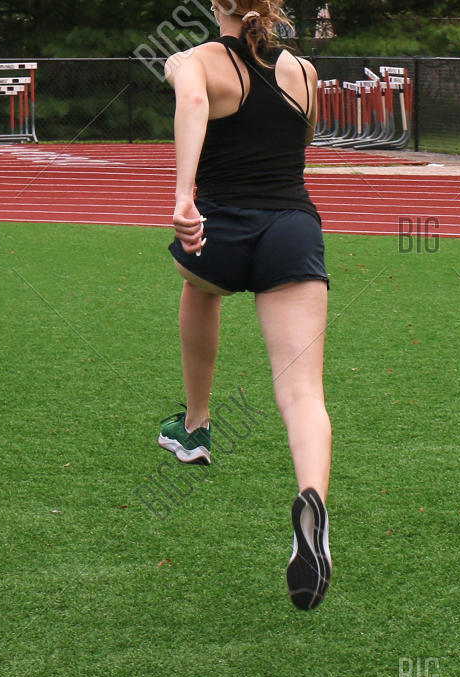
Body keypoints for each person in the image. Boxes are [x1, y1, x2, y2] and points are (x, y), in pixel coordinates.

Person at [160, 0, 332, 610]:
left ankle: (198, 425)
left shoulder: (193, 59)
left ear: (215, 6)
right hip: (292, 227)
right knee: (303, 393)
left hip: (219, 232)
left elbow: (196, 104)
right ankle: (313, 503)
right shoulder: (306, 74)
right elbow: (295, 143)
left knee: (197, 284)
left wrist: (184, 196)